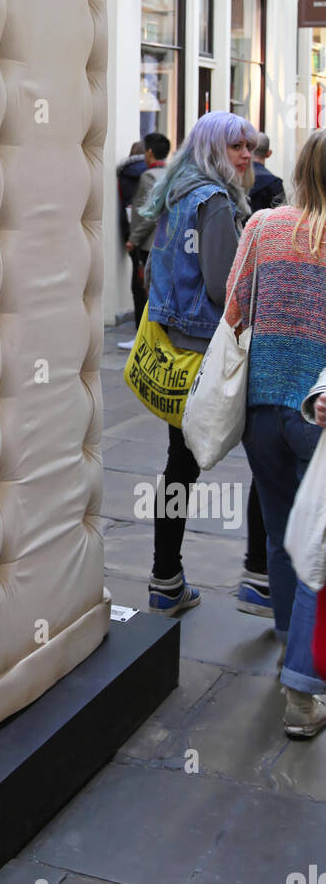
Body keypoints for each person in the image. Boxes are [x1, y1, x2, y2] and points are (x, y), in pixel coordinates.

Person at [224, 129, 326, 736]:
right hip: (316, 414)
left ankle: (291, 643)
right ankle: (303, 689)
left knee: (285, 532)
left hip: (261, 411)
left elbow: (234, 306)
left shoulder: (262, 226)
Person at [141, 111, 257, 616]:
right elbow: (222, 285)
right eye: (236, 147)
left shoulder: (176, 194)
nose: (246, 156)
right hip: (204, 353)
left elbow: (154, 269)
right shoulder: (211, 201)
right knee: (265, 453)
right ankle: (259, 576)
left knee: (178, 466)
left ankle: (166, 578)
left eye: (249, 147)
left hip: (173, 349)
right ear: (213, 149)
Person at [126, 131, 170, 325]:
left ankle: (141, 333)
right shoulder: (170, 174)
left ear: (150, 152)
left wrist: (133, 238)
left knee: (141, 288)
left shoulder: (148, 176)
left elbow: (149, 212)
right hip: (165, 240)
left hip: (146, 244)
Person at [116, 140, 146, 350]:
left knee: (137, 284)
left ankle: (139, 333)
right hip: (150, 236)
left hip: (131, 234)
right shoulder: (153, 174)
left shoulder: (123, 173)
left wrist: (131, 237)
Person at [248, 132, 286, 213]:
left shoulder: (235, 180)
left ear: (249, 151)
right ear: (269, 153)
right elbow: (282, 217)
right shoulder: (275, 183)